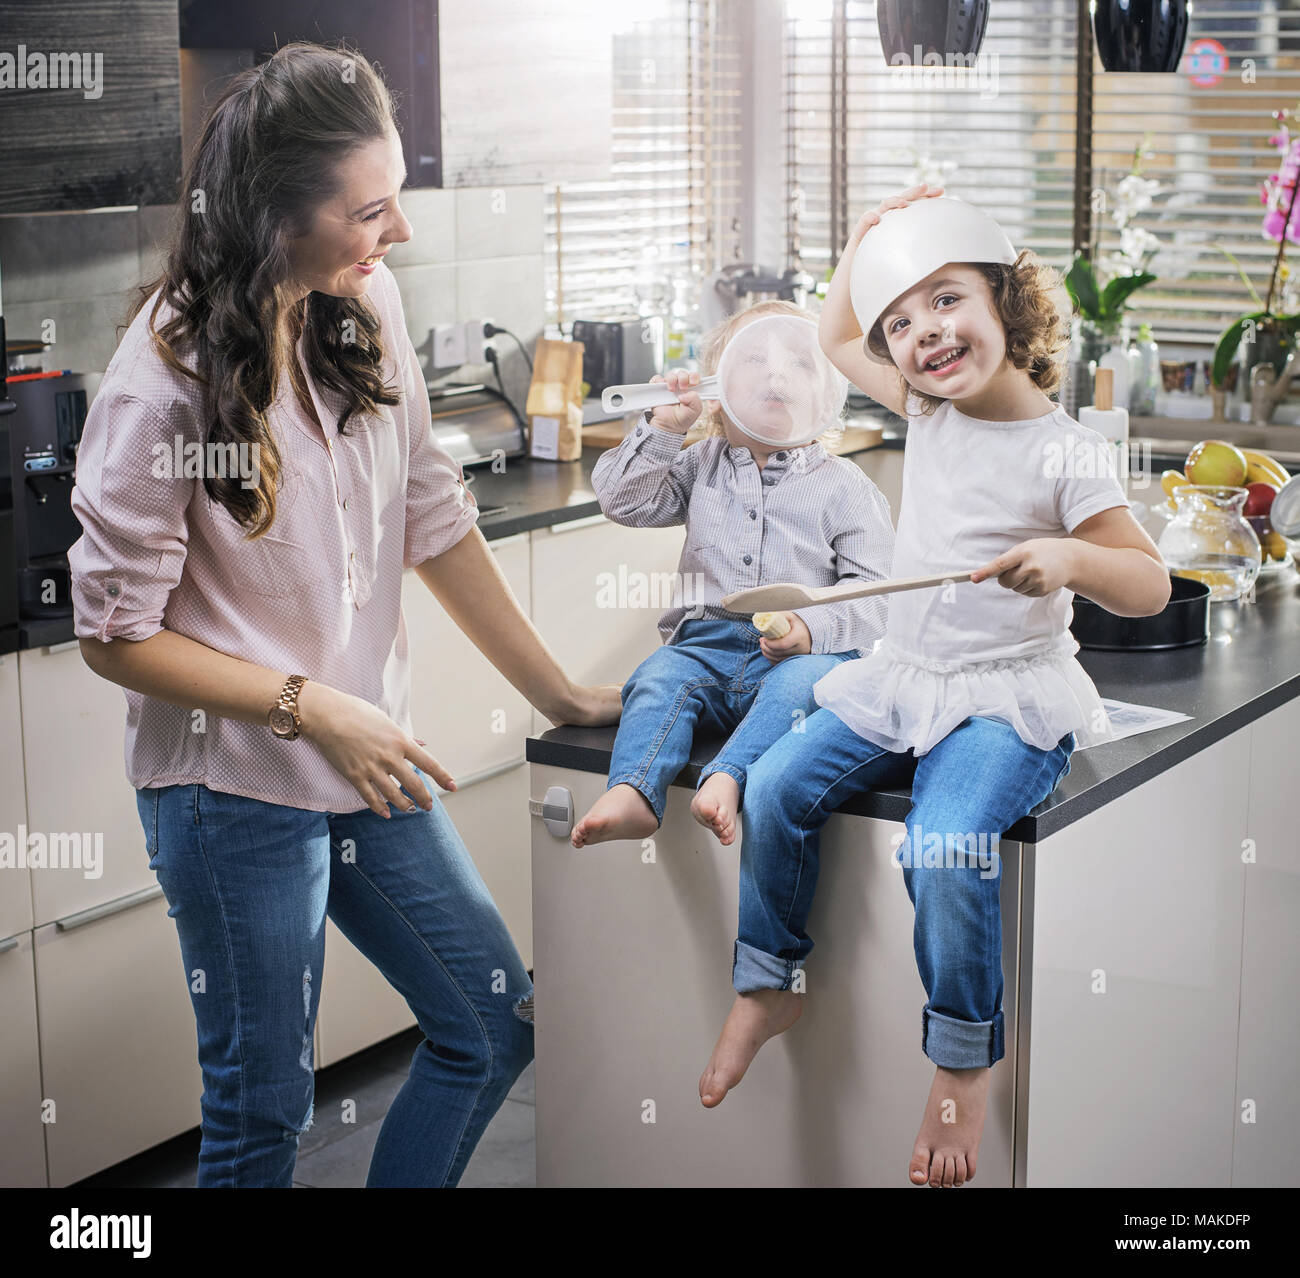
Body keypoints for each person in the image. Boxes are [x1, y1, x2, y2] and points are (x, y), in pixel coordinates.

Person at [67, 41, 619, 1188]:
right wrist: (308, 705)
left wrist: (558, 694)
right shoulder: (160, 379)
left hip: (355, 756)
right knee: (260, 1119)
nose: (398, 232)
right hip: (229, 793)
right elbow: (113, 632)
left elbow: (429, 509)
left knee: (490, 1020)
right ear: (277, 215)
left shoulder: (361, 301)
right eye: (371, 209)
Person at [697, 186, 1171, 1189]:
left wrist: (1066, 558)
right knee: (778, 789)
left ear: (1004, 300)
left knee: (945, 845)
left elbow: (1147, 582)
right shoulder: (925, 408)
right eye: (900, 323)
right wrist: (868, 228)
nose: (921, 335)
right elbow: (833, 332)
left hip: (1005, 700)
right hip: (906, 682)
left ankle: (961, 1066)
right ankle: (767, 980)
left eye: (944, 301)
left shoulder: (1065, 450)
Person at [571, 300, 896, 849]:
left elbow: (876, 595)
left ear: (828, 396)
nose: (776, 373)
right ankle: (633, 791)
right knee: (654, 682)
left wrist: (811, 630)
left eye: (799, 362)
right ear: (716, 390)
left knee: (807, 686)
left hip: (800, 652)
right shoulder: (699, 466)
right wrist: (663, 427)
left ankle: (727, 774)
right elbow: (622, 501)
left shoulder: (847, 488)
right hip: (702, 642)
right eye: (756, 359)